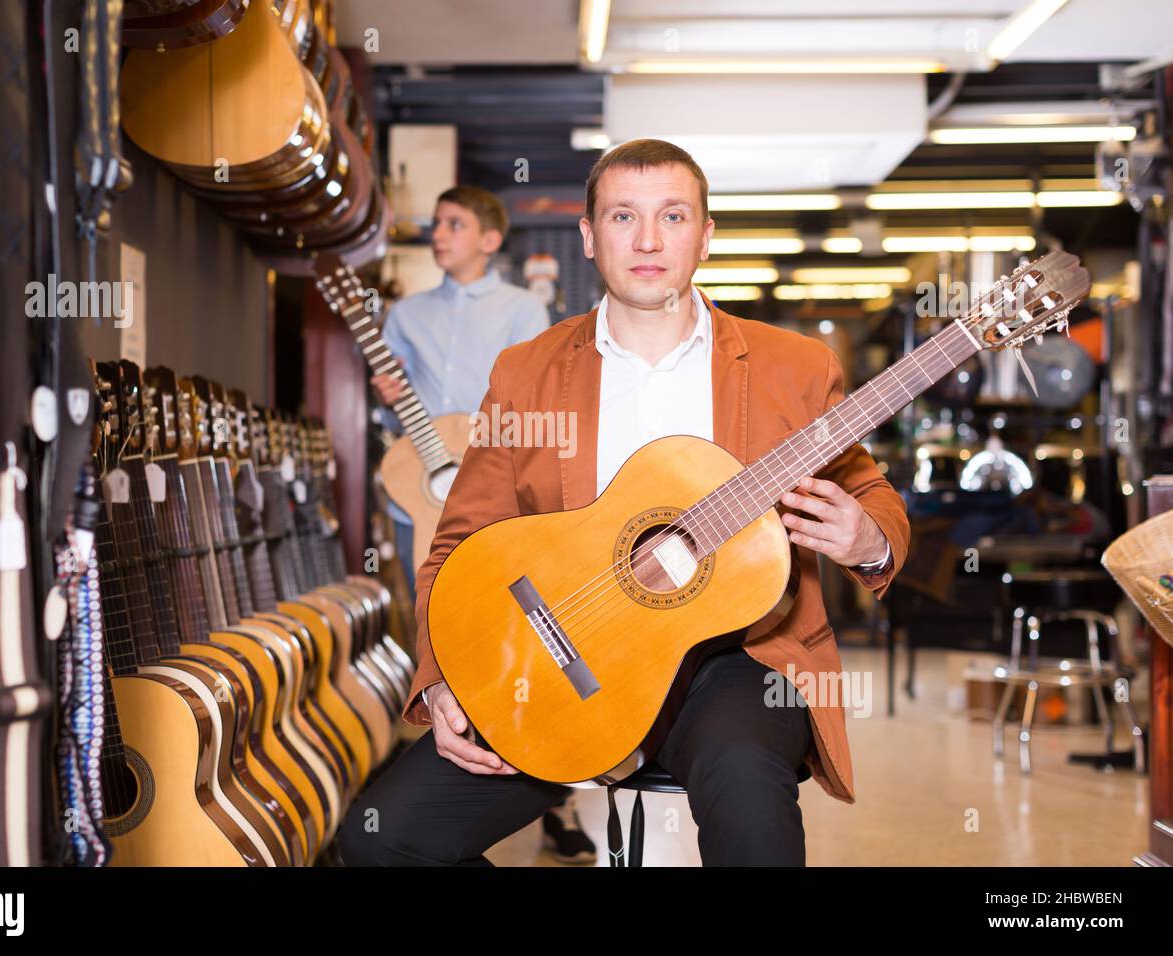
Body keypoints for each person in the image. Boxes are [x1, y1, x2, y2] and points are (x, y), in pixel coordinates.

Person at [341, 139, 909, 866]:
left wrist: (868, 539)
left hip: (738, 659)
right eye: (622, 217)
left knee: (750, 810)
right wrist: (442, 676)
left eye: (672, 216)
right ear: (588, 235)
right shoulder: (527, 373)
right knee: (384, 839)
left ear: (705, 236)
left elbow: (867, 489)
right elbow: (457, 541)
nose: (647, 240)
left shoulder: (791, 368)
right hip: (559, 654)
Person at [370, 185, 595, 863]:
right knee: (440, 629)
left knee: (523, 639)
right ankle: (452, 763)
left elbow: (536, 407)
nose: (440, 234)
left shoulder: (526, 310)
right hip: (424, 491)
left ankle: (556, 795)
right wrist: (389, 403)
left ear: (490, 239)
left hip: (499, 493)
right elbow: (391, 422)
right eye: (436, 224)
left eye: (455, 224)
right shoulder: (404, 315)